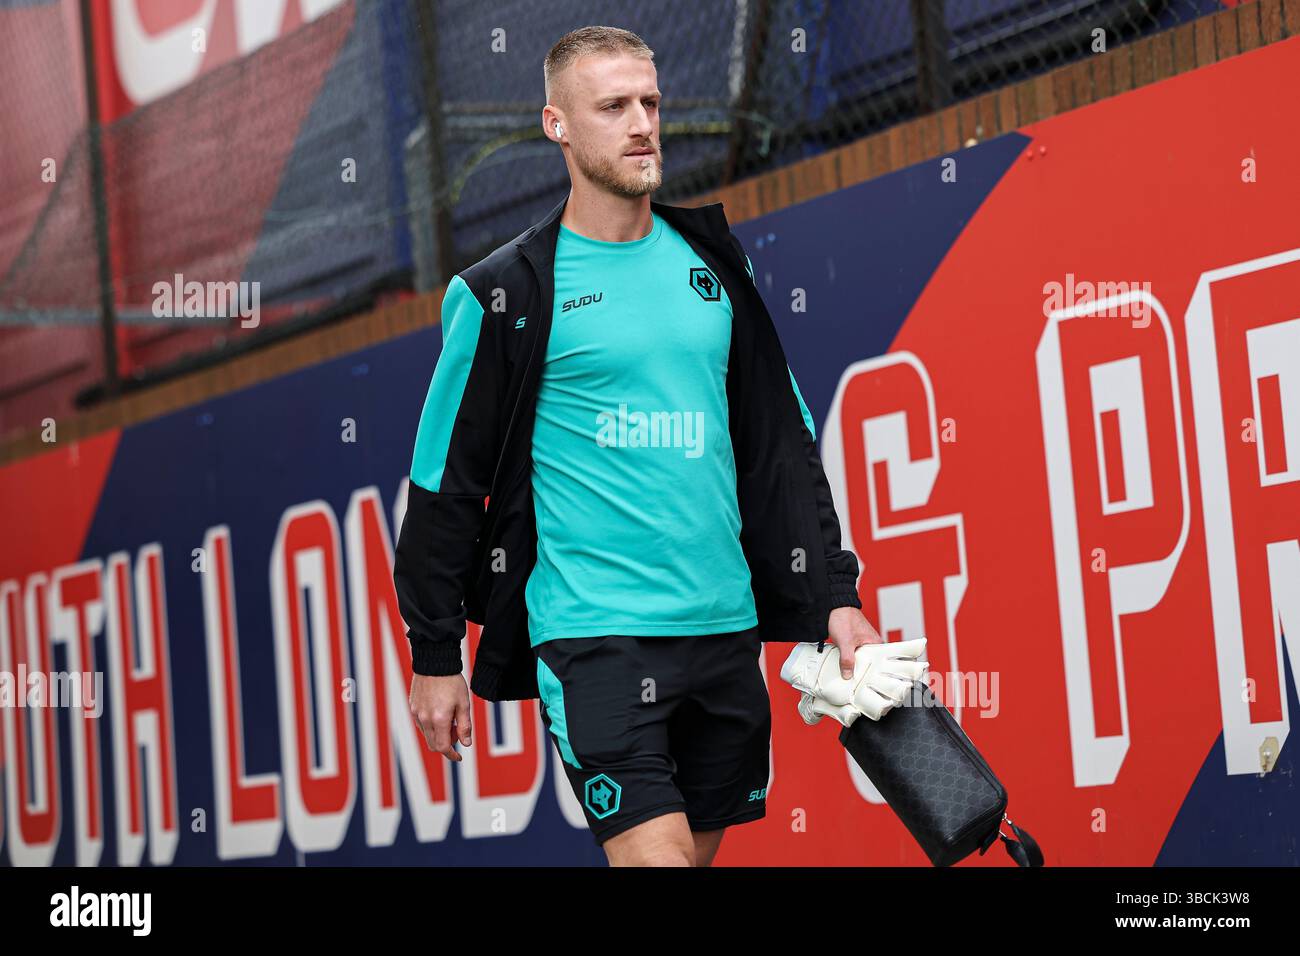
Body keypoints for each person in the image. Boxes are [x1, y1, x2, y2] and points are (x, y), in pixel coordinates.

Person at [393, 25, 883, 867]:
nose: (641, 123)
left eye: (650, 102)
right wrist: (435, 653)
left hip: (724, 632)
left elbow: (783, 446)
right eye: (613, 106)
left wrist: (834, 594)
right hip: (596, 639)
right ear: (558, 125)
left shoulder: (718, 268)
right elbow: (443, 481)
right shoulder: (503, 293)